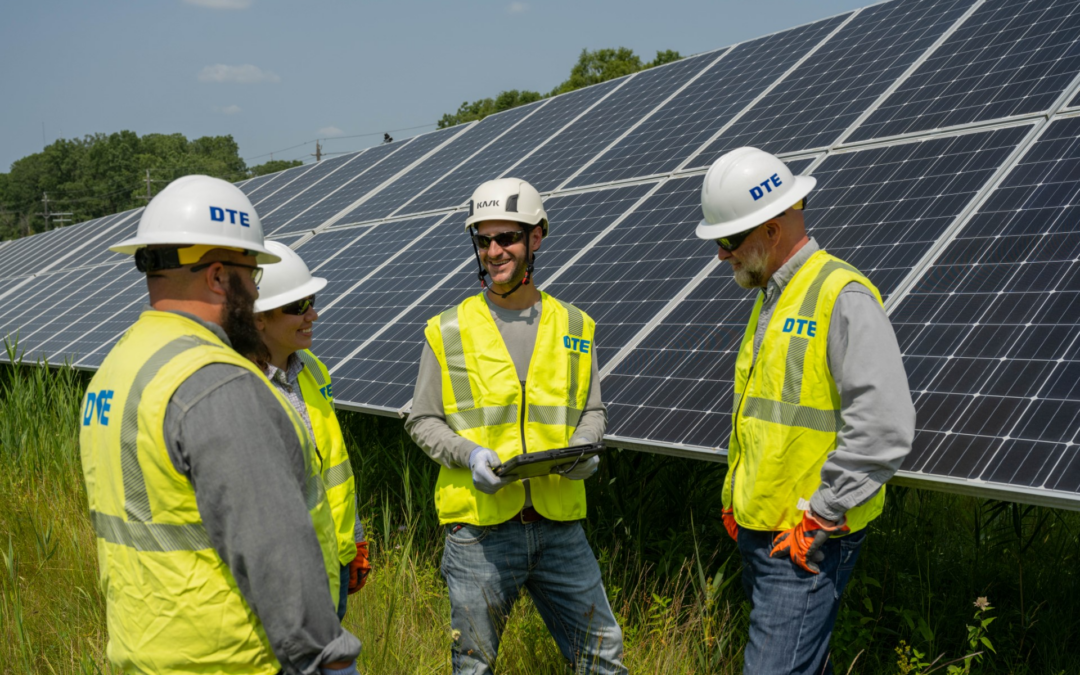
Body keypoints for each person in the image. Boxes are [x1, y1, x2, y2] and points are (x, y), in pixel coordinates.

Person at [79, 175, 361, 675]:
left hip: (145, 652)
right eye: (251, 273)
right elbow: (275, 551)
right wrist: (329, 659)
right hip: (228, 657)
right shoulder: (215, 381)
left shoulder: (118, 368)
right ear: (216, 276)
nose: (255, 290)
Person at [696, 148, 915, 675]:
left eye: (729, 240)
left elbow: (884, 425)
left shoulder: (842, 295)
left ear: (771, 231)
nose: (721, 255)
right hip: (763, 530)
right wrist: (737, 500)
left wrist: (823, 510)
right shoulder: (773, 296)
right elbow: (763, 422)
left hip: (807, 538)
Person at [405, 178, 625, 675]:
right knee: (474, 666)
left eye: (506, 238)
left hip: (560, 526)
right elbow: (423, 420)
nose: (494, 251)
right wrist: (470, 456)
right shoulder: (447, 329)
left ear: (537, 238)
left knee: (603, 658)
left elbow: (592, 410)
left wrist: (583, 449)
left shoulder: (576, 326)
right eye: (483, 240)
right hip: (479, 533)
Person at [249, 240, 371, 621]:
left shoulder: (314, 370)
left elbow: (334, 466)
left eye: (311, 301)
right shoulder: (238, 385)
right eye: (297, 306)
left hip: (332, 563)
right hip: (279, 577)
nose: (313, 315)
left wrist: (353, 539)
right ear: (259, 319)